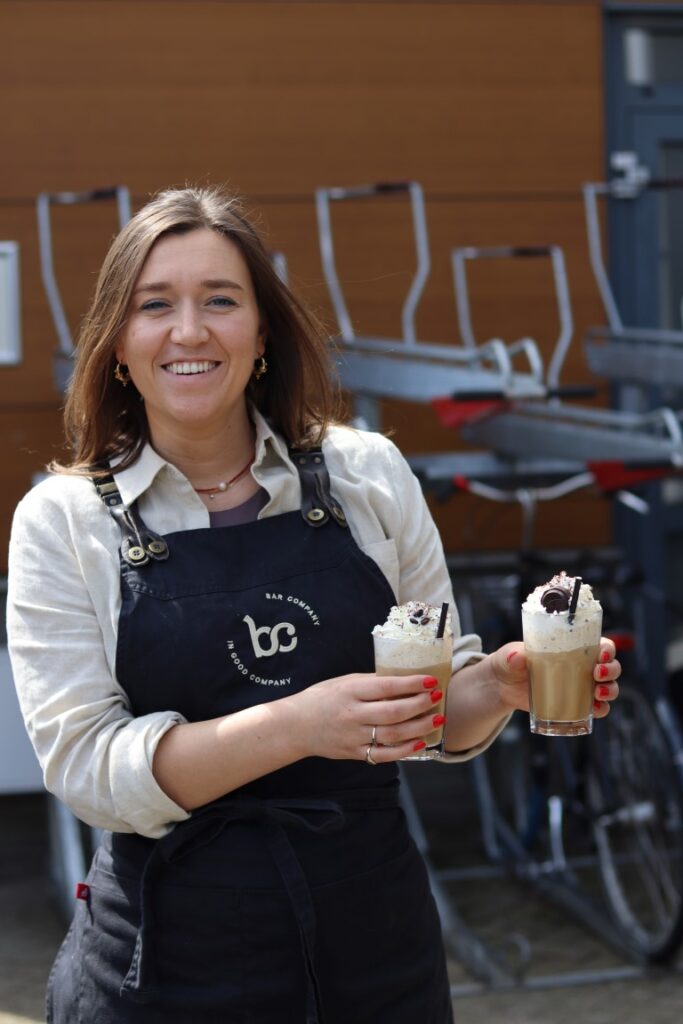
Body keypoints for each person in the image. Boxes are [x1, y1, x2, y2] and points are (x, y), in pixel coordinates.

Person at [7, 185, 620, 1024]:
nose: (189, 330)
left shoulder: (369, 475)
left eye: (220, 300)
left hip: (375, 951)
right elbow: (90, 772)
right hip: (170, 966)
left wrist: (502, 687)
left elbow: (436, 715)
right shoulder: (63, 521)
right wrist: (299, 725)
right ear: (118, 341)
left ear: (262, 332)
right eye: (156, 305)